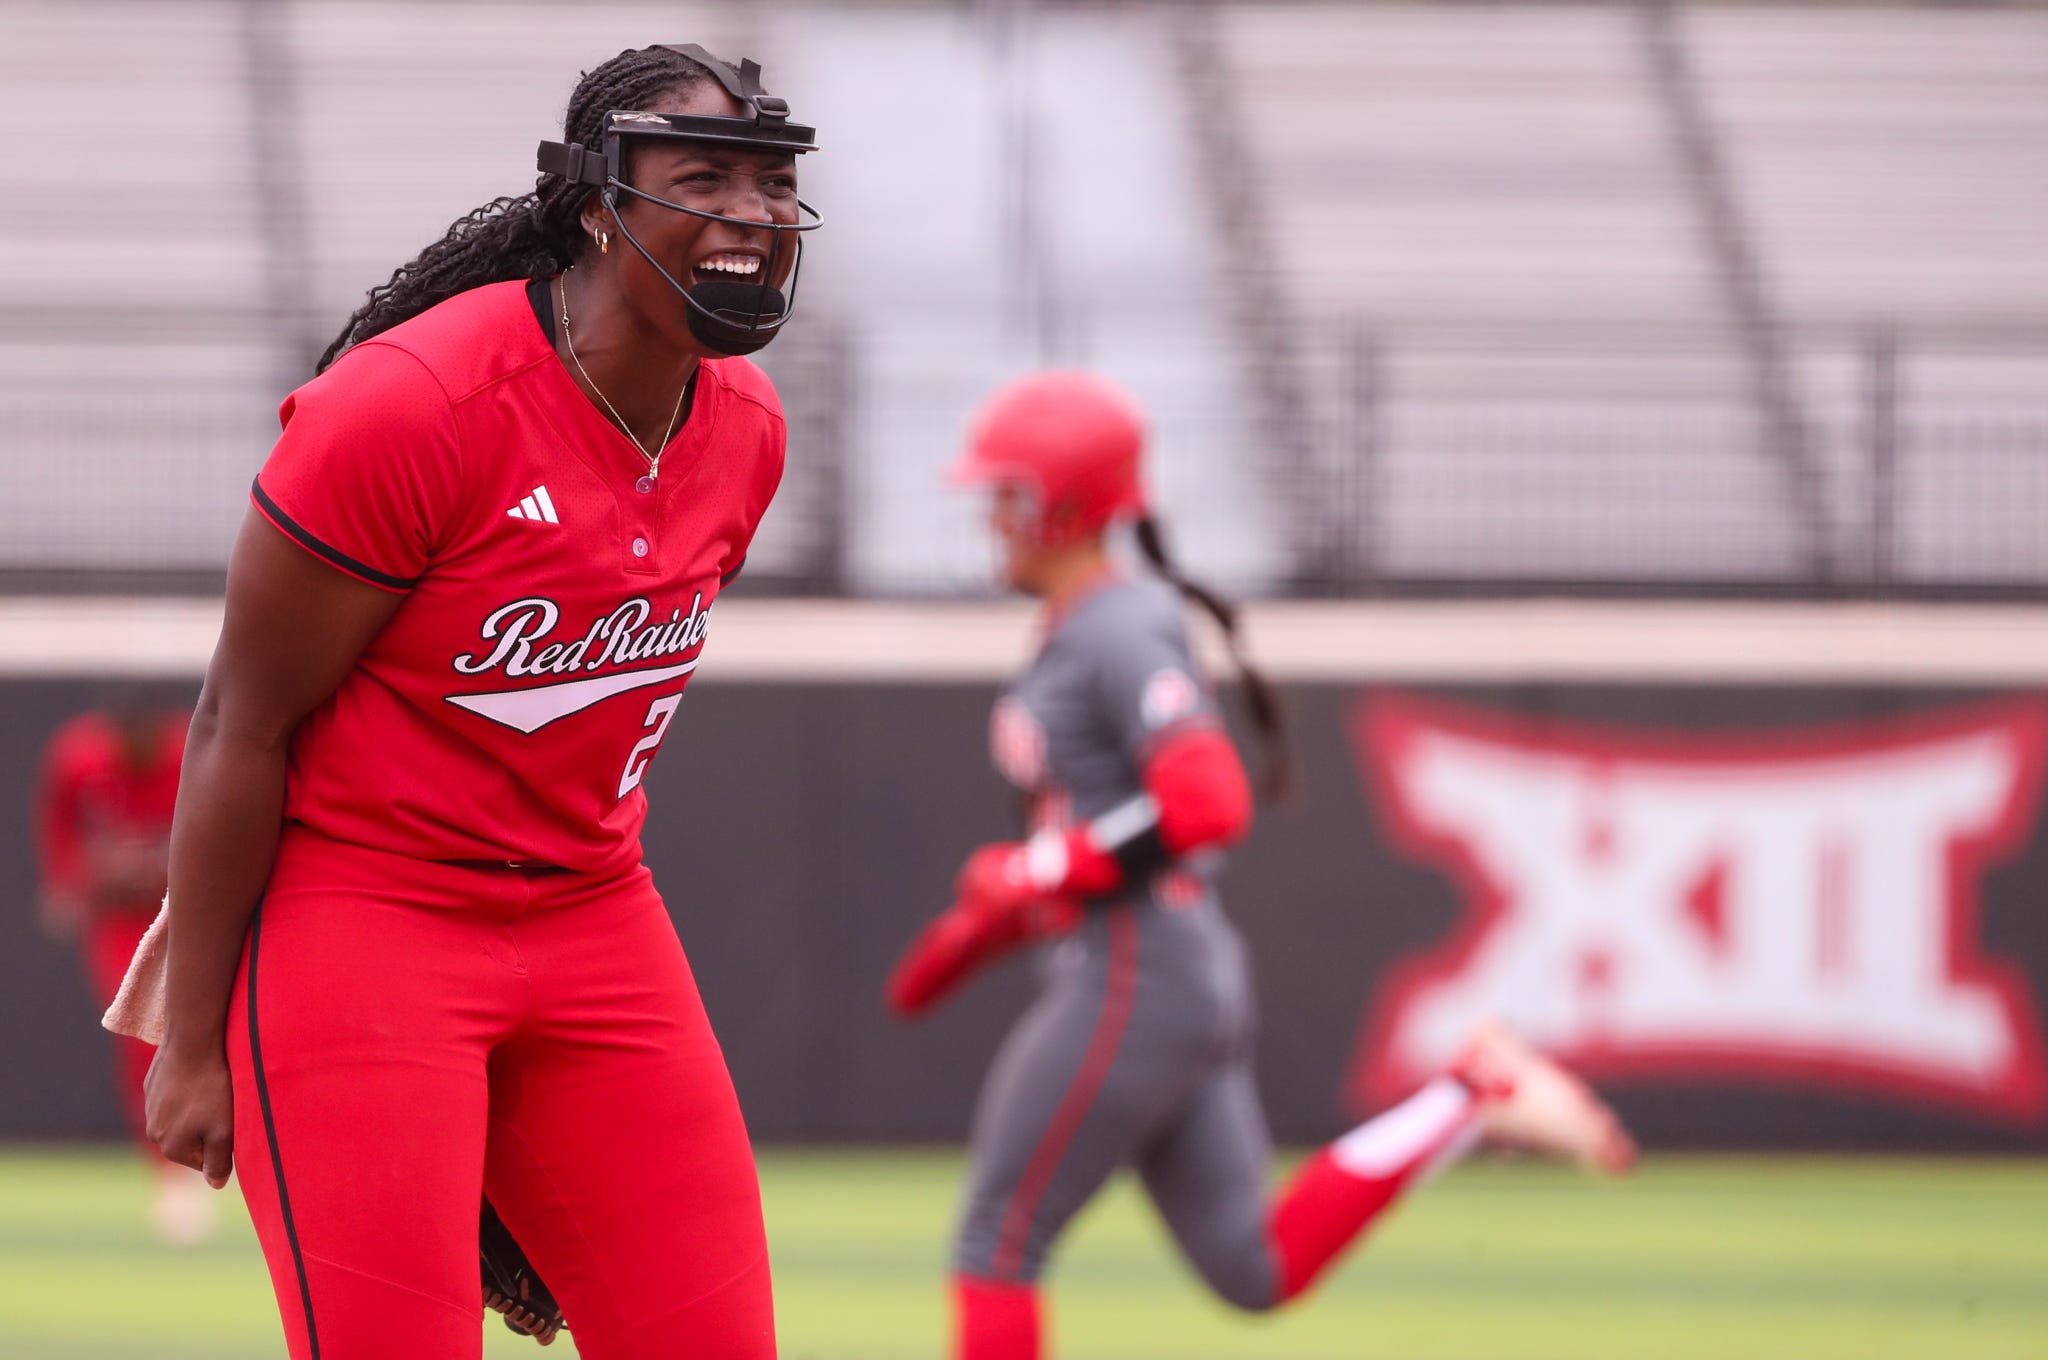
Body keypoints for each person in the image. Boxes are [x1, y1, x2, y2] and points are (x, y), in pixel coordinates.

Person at [132, 42, 819, 1360]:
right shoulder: (413, 406)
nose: (754, 216)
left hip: (595, 915)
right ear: (598, 207)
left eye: (773, 186)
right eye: (705, 178)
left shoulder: (750, 426)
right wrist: (195, 1038)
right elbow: (241, 724)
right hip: (366, 918)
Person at [885, 371, 1638, 1360]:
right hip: (1162, 967)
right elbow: (1105, 829)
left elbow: (1207, 803)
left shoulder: (1117, 624)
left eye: (1006, 492)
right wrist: (989, 920)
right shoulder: (1081, 628)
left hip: (1135, 972)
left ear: (1059, 502)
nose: (990, 516)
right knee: (1253, 1266)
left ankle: (1475, 1091)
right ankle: (1467, 1092)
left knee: (997, 1240)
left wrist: (1040, 872)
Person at [35, 695, 217, 1244]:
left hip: (189, 910)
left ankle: (233, 1154)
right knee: (142, 1036)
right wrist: (65, 879)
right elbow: (56, 820)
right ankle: (173, 1173)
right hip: (119, 918)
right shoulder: (79, 756)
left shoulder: (191, 750)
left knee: (219, 1027)